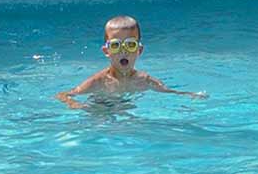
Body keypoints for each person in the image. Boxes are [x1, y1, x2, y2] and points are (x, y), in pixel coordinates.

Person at [56, 16, 203, 108]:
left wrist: (189, 95)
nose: (123, 51)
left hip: (124, 105)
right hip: (100, 106)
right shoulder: (98, 81)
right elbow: (63, 95)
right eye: (116, 45)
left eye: (130, 44)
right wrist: (75, 104)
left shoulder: (145, 80)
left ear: (139, 50)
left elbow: (168, 92)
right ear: (106, 51)